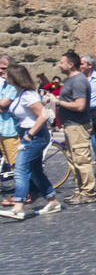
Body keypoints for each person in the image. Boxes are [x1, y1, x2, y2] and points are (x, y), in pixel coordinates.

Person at [0, 65, 63, 221]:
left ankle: (18, 207)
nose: (5, 76)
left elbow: (43, 114)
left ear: (15, 77)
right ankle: (52, 201)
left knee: (20, 169)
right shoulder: (19, 94)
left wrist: (30, 133)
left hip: (34, 136)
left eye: (7, 74)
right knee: (35, 171)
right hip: (27, 134)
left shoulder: (28, 95)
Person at [54, 51, 96, 204]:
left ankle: (88, 193)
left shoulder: (78, 80)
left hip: (77, 125)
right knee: (73, 160)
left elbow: (79, 105)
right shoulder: (70, 79)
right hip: (71, 125)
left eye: (61, 62)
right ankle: (79, 191)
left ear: (70, 64)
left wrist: (58, 102)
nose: (59, 65)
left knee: (81, 160)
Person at [0, 55, 20, 204]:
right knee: (9, 162)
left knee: (16, 164)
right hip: (2, 129)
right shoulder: (5, 85)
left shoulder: (13, 86)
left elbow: (4, 104)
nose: (1, 71)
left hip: (11, 130)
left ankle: (23, 194)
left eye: (4, 68)